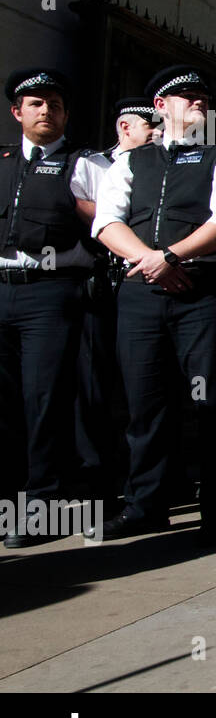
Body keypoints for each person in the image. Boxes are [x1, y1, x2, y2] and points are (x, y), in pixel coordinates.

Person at [90, 65, 216, 543]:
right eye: (186, 96)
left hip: (200, 294)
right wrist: (152, 261)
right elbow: (106, 222)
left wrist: (172, 256)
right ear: (161, 107)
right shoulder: (131, 162)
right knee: (146, 404)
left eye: (202, 96)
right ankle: (146, 506)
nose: (198, 101)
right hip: (142, 291)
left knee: (212, 404)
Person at [0, 68, 103, 547]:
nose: (47, 111)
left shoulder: (82, 165)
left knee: (44, 399)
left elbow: (109, 226)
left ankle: (42, 503)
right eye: (36, 103)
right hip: (2, 287)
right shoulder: (1, 161)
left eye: (56, 105)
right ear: (17, 112)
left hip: (52, 292)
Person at [74, 97, 159, 503]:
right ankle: (98, 476)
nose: (159, 132)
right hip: (103, 283)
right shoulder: (92, 165)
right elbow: (89, 213)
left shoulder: (166, 165)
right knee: (94, 382)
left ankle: (152, 478)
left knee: (145, 385)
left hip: (150, 282)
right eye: (150, 126)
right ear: (126, 128)